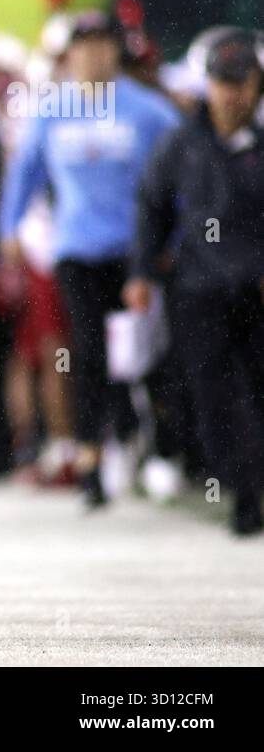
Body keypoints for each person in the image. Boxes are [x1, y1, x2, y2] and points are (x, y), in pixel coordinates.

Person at [0, 10, 180, 507]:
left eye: (103, 45)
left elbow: (180, 181)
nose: (93, 55)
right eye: (84, 45)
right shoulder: (52, 111)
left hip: (137, 251)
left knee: (146, 354)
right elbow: (25, 173)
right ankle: (94, 456)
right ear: (70, 54)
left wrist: (177, 239)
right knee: (89, 353)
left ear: (116, 51)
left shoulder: (148, 111)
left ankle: (157, 445)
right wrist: (8, 228)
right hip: (76, 249)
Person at [124, 28, 264, 535]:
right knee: (212, 393)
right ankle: (239, 488)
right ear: (209, 85)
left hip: (255, 288)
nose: (234, 94)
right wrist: (140, 272)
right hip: (198, 289)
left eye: (243, 82)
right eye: (225, 82)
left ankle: (250, 486)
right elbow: (151, 210)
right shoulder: (180, 144)